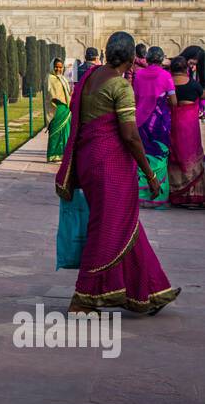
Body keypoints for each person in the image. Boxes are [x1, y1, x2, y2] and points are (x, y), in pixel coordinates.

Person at [56, 32, 180, 314]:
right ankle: (82, 298)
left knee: (125, 223)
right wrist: (149, 173)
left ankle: (147, 292)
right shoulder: (120, 87)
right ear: (130, 59)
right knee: (107, 227)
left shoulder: (91, 76)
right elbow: (131, 136)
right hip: (108, 164)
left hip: (89, 160)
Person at [132, 47, 175, 206]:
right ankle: (158, 198)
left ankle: (141, 194)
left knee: (143, 155)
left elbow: (136, 98)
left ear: (148, 59)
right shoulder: (166, 76)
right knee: (160, 156)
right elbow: (174, 101)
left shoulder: (139, 75)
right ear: (161, 59)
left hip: (141, 121)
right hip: (159, 123)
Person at [168, 56, 205, 207]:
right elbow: (203, 95)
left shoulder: (168, 83)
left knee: (175, 155)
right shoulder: (193, 85)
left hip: (173, 124)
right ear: (185, 69)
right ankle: (193, 196)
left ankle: (176, 194)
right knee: (191, 156)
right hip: (189, 126)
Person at [44, 57, 71, 162]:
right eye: (56, 67)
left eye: (60, 67)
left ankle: (64, 155)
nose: (58, 69)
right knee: (55, 133)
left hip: (65, 109)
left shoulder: (63, 78)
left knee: (65, 133)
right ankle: (53, 155)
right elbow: (51, 94)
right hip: (55, 109)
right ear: (52, 67)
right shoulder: (50, 78)